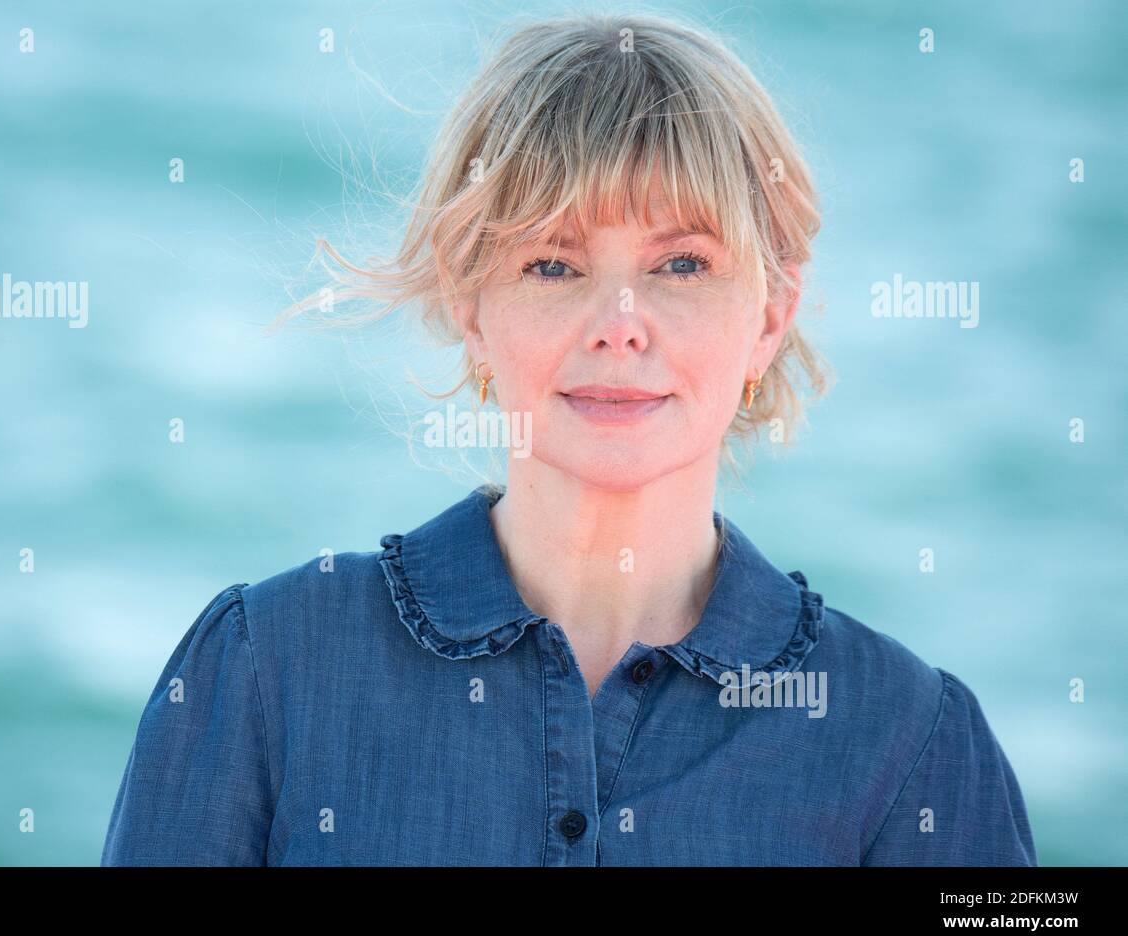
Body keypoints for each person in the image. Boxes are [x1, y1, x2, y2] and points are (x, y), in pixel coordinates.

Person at [101, 12, 1036, 866]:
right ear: (471, 306)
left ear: (771, 314)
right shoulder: (266, 673)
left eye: (683, 263)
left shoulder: (913, 746)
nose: (619, 324)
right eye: (552, 263)